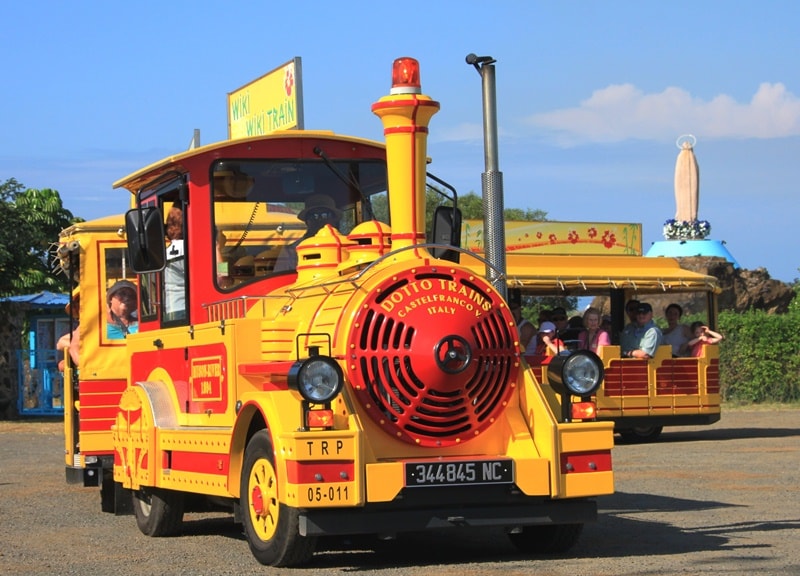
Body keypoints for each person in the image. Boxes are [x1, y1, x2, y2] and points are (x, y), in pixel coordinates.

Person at [274, 194, 342, 272]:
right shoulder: (291, 251)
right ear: (306, 221)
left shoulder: (347, 246)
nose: (319, 220)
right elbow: (281, 279)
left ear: (334, 219)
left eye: (325, 215)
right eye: (313, 216)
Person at [164, 205, 186, 320]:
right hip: (188, 310)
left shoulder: (167, 250)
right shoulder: (191, 247)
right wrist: (217, 248)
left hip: (171, 309)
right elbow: (221, 277)